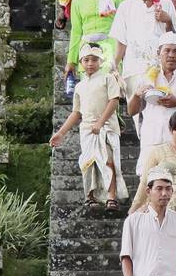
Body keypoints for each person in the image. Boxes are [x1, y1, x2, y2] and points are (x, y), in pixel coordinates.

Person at [50, 43, 127, 211]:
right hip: (87, 129)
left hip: (106, 126)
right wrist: (61, 133)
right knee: (88, 162)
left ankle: (111, 197)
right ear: (81, 63)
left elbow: (114, 101)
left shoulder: (108, 78)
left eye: (94, 60)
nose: (90, 63)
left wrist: (100, 122)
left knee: (108, 161)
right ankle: (89, 196)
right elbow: (76, 112)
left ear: (100, 61)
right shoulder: (79, 86)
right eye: (86, 60)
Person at [127, 32, 176, 175]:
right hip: (152, 141)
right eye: (167, 50)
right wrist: (137, 95)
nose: (171, 55)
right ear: (159, 53)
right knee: (149, 187)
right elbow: (131, 111)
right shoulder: (146, 79)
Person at [110, 0, 176, 115]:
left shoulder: (166, 3)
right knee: (137, 111)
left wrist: (167, 20)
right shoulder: (125, 6)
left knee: (161, 108)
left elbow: (175, 39)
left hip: (161, 66)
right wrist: (114, 65)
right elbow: (121, 41)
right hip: (134, 67)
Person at [64, 0, 123, 81]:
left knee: (110, 88)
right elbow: (76, 32)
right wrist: (71, 61)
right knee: (89, 90)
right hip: (87, 51)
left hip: (110, 48)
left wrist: (122, 54)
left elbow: (123, 26)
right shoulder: (78, 1)